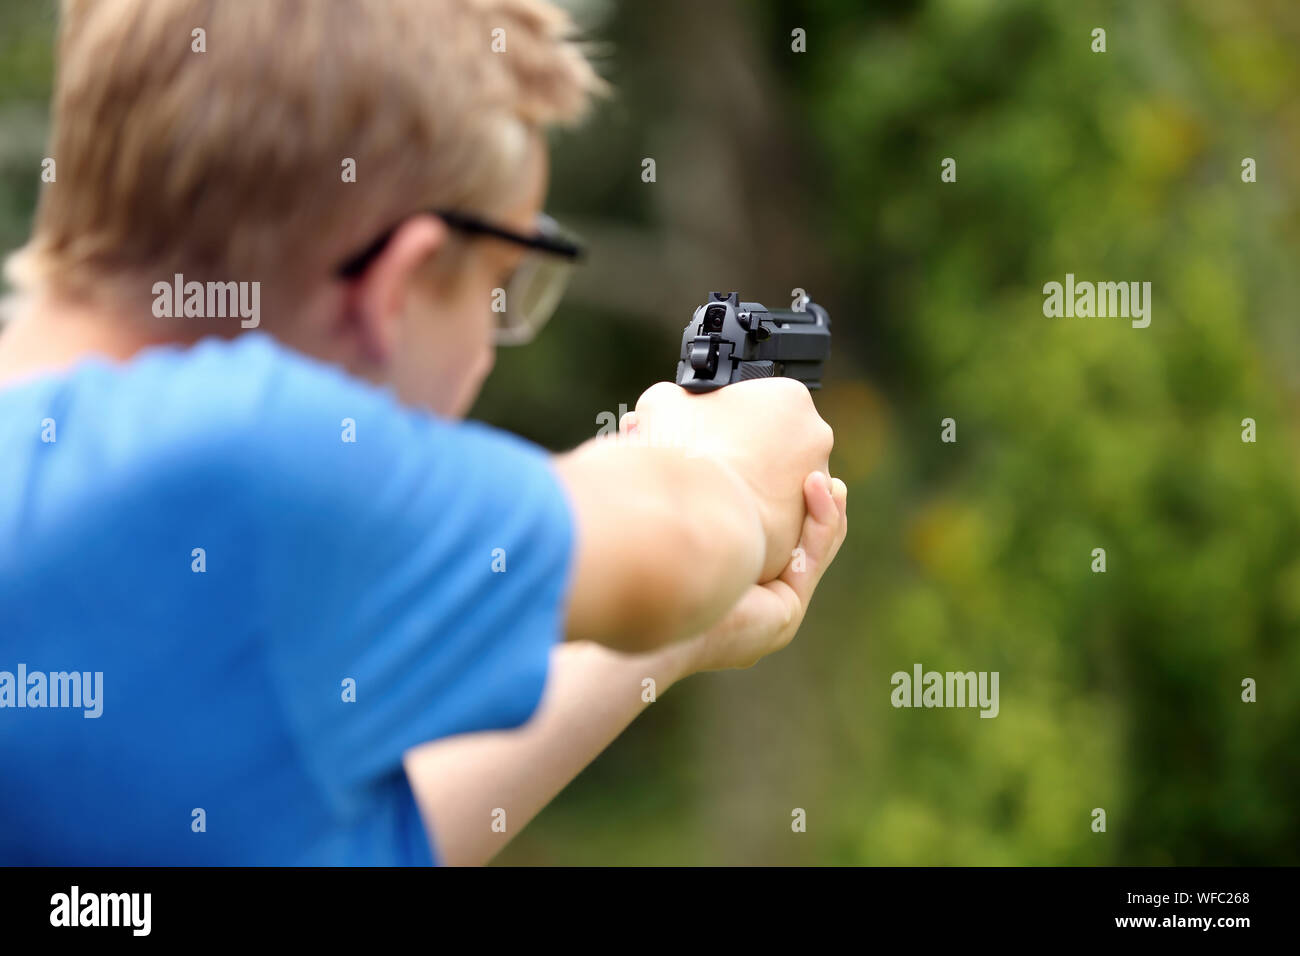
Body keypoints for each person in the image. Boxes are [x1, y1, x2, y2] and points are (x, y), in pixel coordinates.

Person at [0, 0, 847, 865]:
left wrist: (666, 640)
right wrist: (725, 461)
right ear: (394, 289)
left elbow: (340, 833)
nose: (488, 352)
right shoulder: (246, 462)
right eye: (501, 290)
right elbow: (684, 541)